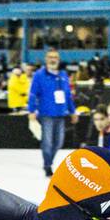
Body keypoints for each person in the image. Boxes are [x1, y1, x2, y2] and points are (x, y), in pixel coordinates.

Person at [28, 49, 78, 177]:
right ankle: (47, 166)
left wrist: (73, 111)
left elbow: (68, 95)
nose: (52, 59)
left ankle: (48, 162)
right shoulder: (39, 75)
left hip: (61, 114)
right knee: (47, 142)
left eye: (55, 57)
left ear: (58, 59)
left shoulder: (63, 75)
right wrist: (31, 110)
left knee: (59, 142)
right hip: (46, 114)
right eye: (50, 57)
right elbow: (33, 94)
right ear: (46, 59)